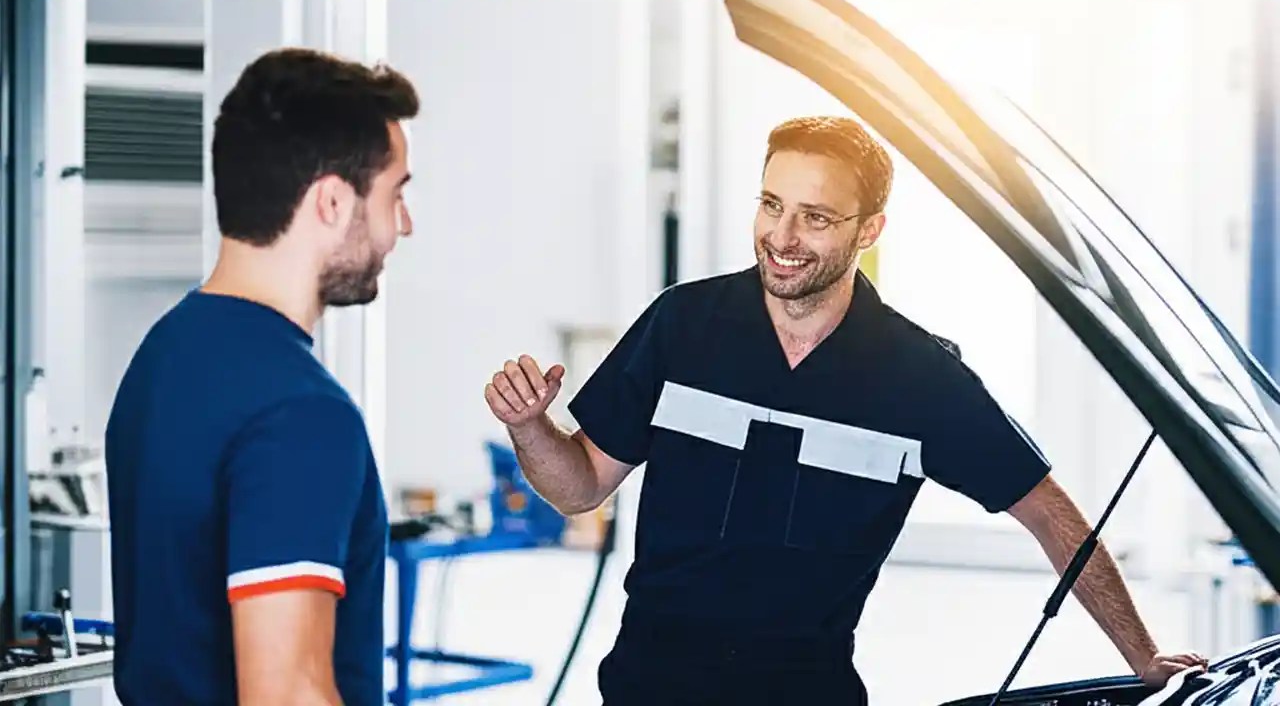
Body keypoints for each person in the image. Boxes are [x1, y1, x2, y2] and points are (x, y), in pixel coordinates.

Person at [485, 116, 1208, 704]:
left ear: (869, 230)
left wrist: (1141, 656)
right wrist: (530, 427)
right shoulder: (681, 326)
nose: (783, 237)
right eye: (771, 205)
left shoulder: (918, 377)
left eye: (816, 217)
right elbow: (579, 485)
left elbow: (1053, 515)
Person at [105, 47, 417, 705]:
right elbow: (288, 693)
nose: (402, 228)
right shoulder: (300, 413)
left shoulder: (162, 357)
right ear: (333, 201)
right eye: (396, 194)